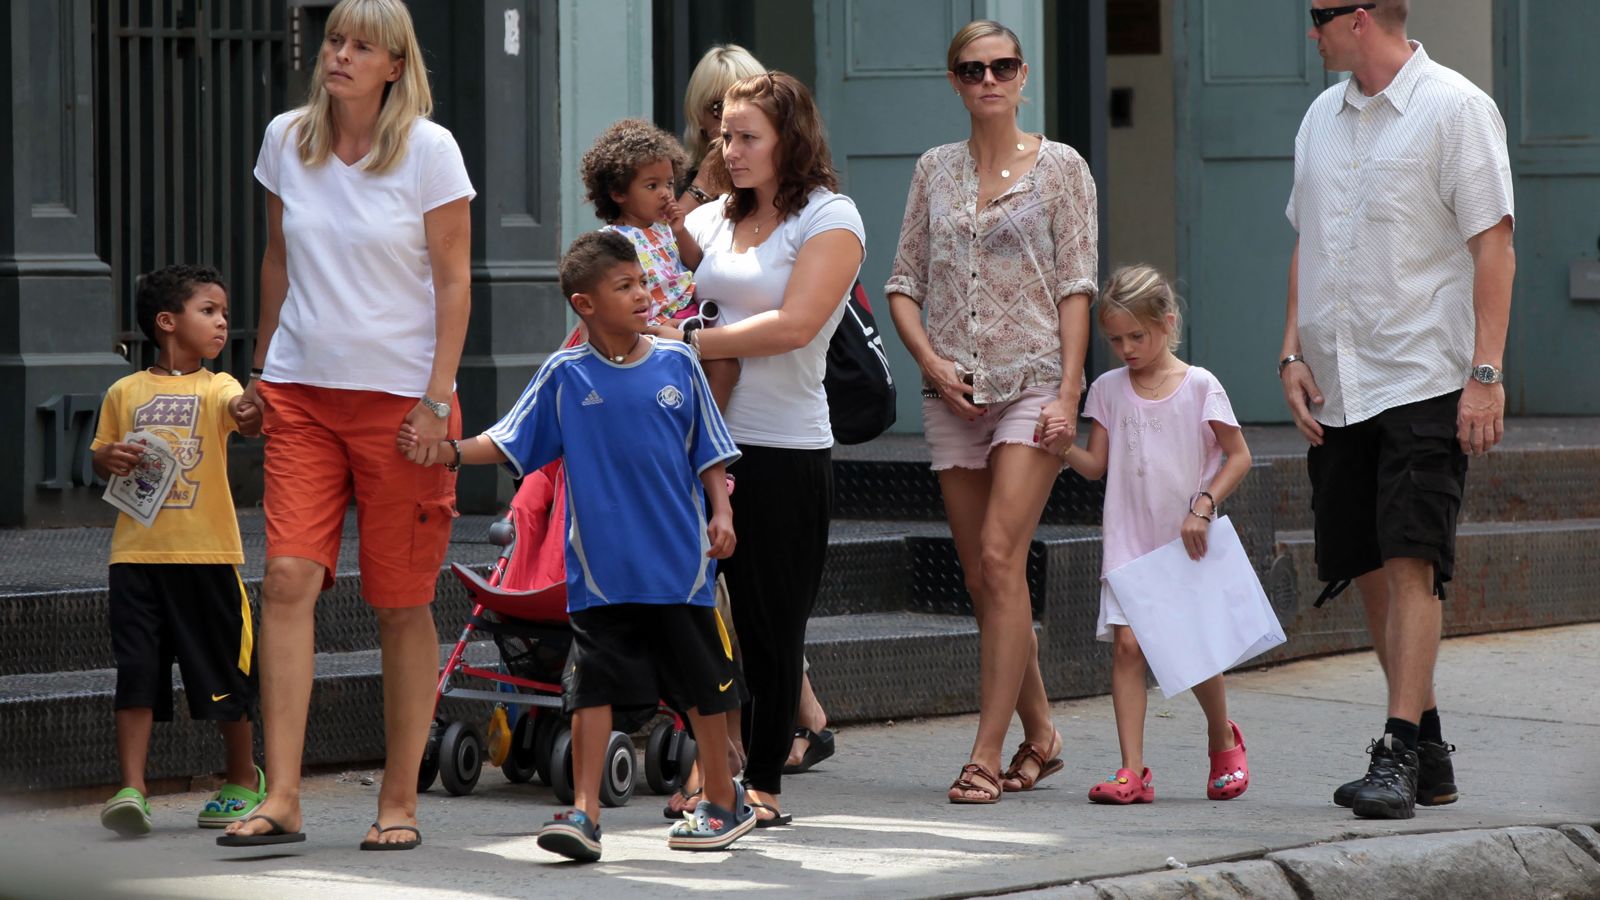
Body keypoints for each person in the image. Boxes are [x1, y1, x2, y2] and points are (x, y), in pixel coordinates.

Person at [400, 230, 751, 859]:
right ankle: (584, 815)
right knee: (590, 690)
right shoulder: (564, 376)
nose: (644, 294)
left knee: (703, 689)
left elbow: (712, 453)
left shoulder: (679, 365)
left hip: (680, 568)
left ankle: (723, 802)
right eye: (625, 286)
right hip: (599, 575)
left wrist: (720, 513)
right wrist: (448, 452)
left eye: (642, 281)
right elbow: (508, 441)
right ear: (584, 304)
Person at [220, 0, 474, 849]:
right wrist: (258, 372)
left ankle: (398, 802)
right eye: (334, 39)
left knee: (399, 603)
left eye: (362, 45)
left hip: (402, 404)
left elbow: (452, 283)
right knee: (287, 581)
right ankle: (282, 796)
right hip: (300, 394)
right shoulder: (287, 138)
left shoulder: (430, 151)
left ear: (395, 65)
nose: (340, 55)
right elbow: (279, 259)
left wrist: (437, 401)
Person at [1282, 0, 1514, 820]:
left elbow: (1494, 243)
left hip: (1424, 373)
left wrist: (1485, 374)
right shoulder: (1320, 116)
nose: (1308, 29)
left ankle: (1394, 751)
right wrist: (1291, 351)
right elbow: (1306, 238)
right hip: (1341, 382)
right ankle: (1430, 748)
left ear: (1363, 17)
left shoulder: (1455, 107)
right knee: (1370, 564)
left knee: (1413, 558)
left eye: (1318, 14)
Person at [884, 20, 1097, 803]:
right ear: (955, 82)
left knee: (1005, 560)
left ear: (1023, 74)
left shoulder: (1063, 168)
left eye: (1002, 66)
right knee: (982, 576)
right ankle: (1044, 733)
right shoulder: (934, 170)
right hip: (953, 390)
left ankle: (985, 751)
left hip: (1035, 382)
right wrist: (931, 365)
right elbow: (902, 282)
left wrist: (1071, 390)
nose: (988, 80)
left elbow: (1078, 285)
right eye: (972, 70)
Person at [649, 70, 865, 826]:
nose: (728, 149)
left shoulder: (830, 219)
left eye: (747, 137)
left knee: (773, 629)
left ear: (789, 142)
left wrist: (686, 339)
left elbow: (797, 325)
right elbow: (659, 291)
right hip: (693, 446)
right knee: (688, 617)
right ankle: (719, 768)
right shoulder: (706, 221)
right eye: (723, 135)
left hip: (782, 450)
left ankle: (765, 783)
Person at [1050, 266, 1253, 804]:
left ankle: (1220, 735)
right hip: (1128, 536)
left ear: (1167, 322)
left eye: (1136, 336)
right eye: (1115, 339)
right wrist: (1061, 446)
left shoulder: (1201, 386)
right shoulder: (1109, 389)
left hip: (1184, 539)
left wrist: (1204, 507)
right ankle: (1132, 770)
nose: (1125, 349)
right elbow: (1096, 465)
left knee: (1194, 651)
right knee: (1127, 647)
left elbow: (1239, 456)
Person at [91, 265, 265, 836]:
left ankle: (242, 777)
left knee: (221, 673)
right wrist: (108, 458)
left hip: (208, 558)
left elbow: (246, 418)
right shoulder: (124, 391)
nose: (221, 323)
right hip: (135, 558)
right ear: (168, 322)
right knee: (136, 669)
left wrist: (250, 411)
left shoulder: (219, 386)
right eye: (209, 311)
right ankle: (132, 788)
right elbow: (100, 454)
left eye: (224, 314)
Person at [580, 118, 739, 408]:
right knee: (706, 371)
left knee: (725, 366)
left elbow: (695, 263)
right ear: (618, 193)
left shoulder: (666, 228)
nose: (666, 193)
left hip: (689, 316)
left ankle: (707, 434)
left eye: (669, 183)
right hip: (651, 326)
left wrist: (679, 230)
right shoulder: (613, 240)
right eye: (652, 185)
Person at [676, 44, 765, 218]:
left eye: (750, 107)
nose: (734, 119)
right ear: (698, 115)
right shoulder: (671, 181)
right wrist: (701, 188)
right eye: (721, 107)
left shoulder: (788, 185)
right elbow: (654, 242)